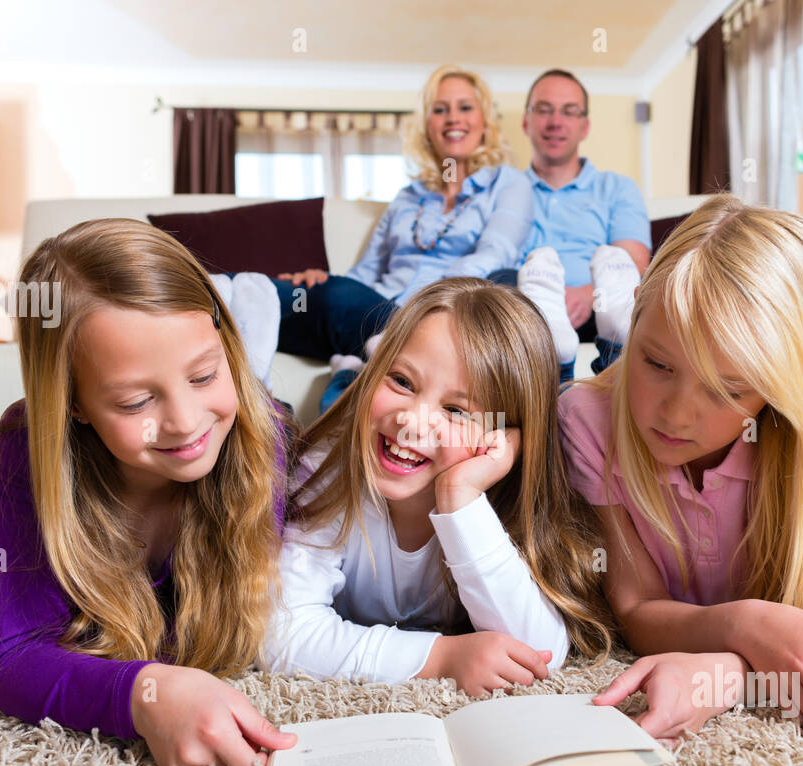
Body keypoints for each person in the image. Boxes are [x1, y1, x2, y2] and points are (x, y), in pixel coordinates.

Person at [0, 219, 298, 766]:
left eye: (203, 376)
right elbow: (34, 654)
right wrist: (142, 694)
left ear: (227, 347)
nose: (185, 421)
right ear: (72, 404)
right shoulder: (28, 448)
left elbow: (218, 639)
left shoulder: (260, 433)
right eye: (134, 403)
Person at [561, 195, 803, 745]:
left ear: (780, 388)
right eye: (657, 363)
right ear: (635, 316)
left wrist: (728, 674)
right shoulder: (587, 419)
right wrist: (743, 627)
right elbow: (636, 607)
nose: (675, 413)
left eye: (726, 390)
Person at [262, 277, 616, 693]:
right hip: (349, 432)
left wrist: (461, 497)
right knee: (337, 412)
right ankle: (348, 374)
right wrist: (442, 656)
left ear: (502, 438)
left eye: (455, 410)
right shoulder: (328, 470)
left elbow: (540, 653)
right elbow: (279, 636)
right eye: (402, 381)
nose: (412, 420)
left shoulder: (499, 503)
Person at [270, 65, 534, 383]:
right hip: (374, 312)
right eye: (440, 109)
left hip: (441, 314)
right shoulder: (407, 197)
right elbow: (366, 272)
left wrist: (420, 304)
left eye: (465, 107)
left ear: (485, 122)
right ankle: (216, 293)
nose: (453, 118)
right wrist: (328, 281)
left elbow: (496, 253)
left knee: (504, 280)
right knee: (304, 294)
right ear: (427, 125)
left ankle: (370, 359)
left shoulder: (508, 183)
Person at [488, 69, 653, 379]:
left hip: (596, 307)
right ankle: (548, 327)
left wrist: (589, 295)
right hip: (518, 307)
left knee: (620, 287)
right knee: (500, 279)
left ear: (585, 126)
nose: (555, 122)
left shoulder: (617, 188)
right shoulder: (503, 191)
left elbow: (634, 260)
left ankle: (608, 343)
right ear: (526, 121)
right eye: (544, 110)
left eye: (569, 111)